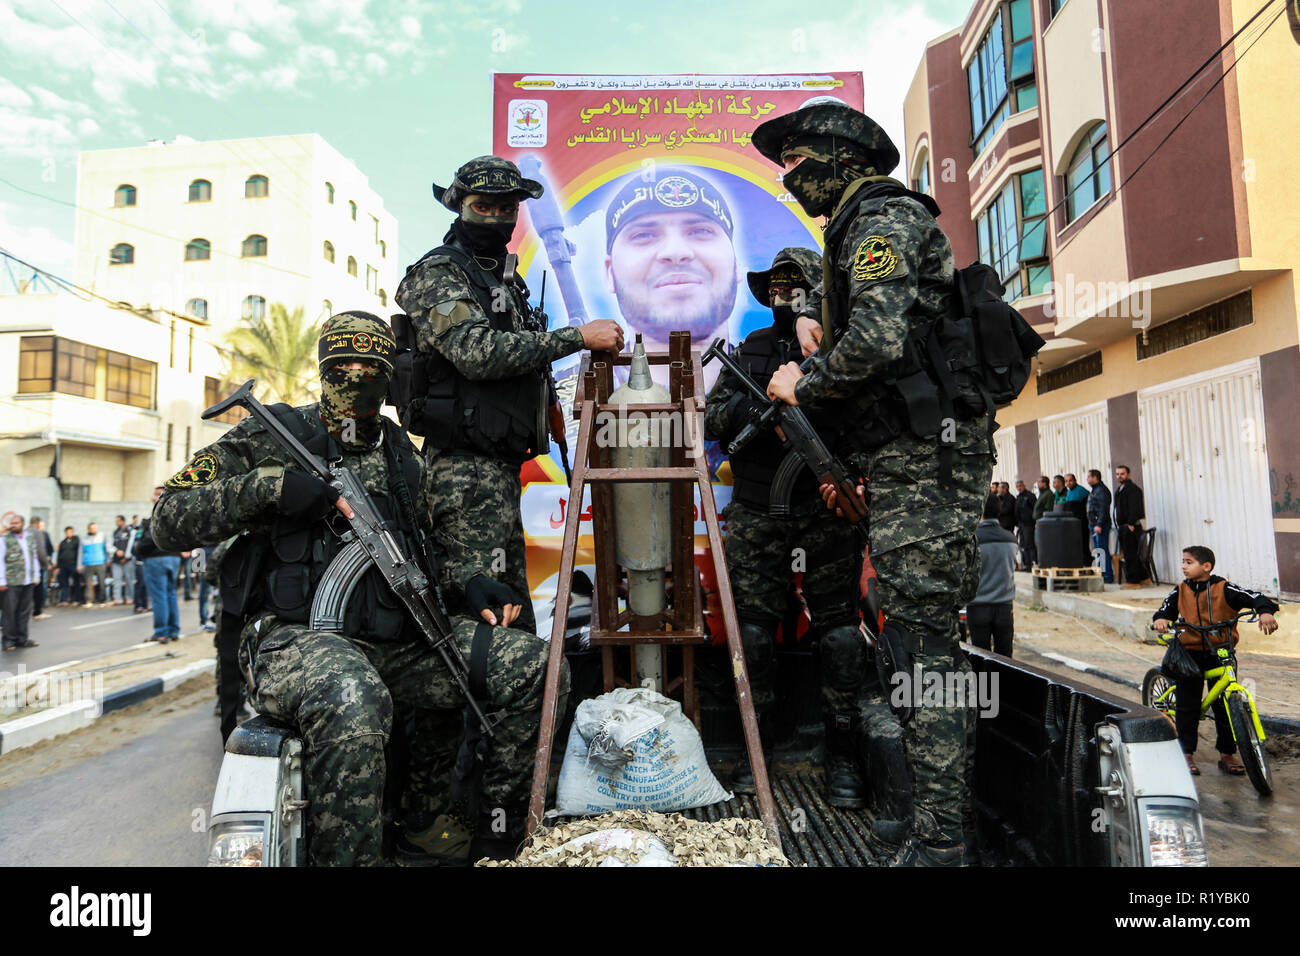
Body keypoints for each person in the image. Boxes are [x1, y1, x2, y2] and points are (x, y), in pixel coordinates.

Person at [151, 311, 566, 865]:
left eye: (371, 365)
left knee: (537, 667)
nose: (356, 375)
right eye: (342, 364)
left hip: (398, 642)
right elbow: (166, 515)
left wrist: (469, 582)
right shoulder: (274, 435)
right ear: (322, 368)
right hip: (292, 639)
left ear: (388, 372)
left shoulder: (404, 456)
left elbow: (425, 554)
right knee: (353, 695)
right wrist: (269, 490)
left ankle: (487, 833)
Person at [754, 101, 990, 866]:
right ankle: (930, 814)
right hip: (903, 459)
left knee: (925, 652)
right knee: (911, 644)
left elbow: (881, 342)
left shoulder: (878, 219)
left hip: (928, 463)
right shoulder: (853, 230)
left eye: (795, 161)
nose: (788, 178)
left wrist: (802, 383)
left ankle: (943, 841)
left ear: (838, 157)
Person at [394, 156, 623, 635]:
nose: (497, 217)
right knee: (481, 624)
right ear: (458, 206)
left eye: (507, 208)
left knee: (513, 619)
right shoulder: (438, 273)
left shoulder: (502, 278)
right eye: (483, 206)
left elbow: (519, 361)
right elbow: (475, 353)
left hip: (497, 469)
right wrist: (577, 337)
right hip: (462, 476)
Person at [704, 246, 872, 807]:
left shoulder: (840, 347)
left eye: (793, 284)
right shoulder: (747, 352)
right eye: (774, 286)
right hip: (759, 509)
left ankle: (843, 754)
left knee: (840, 632)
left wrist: (811, 405)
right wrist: (760, 415)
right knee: (751, 632)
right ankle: (757, 750)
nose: (782, 294)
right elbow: (714, 419)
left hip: (824, 509)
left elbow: (865, 416)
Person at [1152, 546, 1279, 776]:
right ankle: (1186, 752)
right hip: (1189, 653)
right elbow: (1165, 610)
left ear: (1206, 566)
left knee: (1225, 706)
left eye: (1188, 562)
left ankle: (1227, 754)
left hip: (1220, 651)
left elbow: (1256, 597)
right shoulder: (1179, 590)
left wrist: (1265, 612)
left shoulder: (1225, 588)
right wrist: (1161, 619)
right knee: (1187, 706)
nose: (1183, 566)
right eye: (1183, 562)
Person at [603, 165, 741, 372]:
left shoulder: (789, 382)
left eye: (700, 230)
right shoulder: (561, 399)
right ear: (610, 273)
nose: (675, 251)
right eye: (643, 235)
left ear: (736, 265)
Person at [967, 496, 1017, 657]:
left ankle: (987, 684)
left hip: (978, 606)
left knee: (980, 656)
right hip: (1004, 606)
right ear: (999, 511)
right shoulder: (1011, 538)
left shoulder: (972, 539)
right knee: (1005, 659)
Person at [135, 489, 184, 643]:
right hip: (174, 558)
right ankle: (173, 630)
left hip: (156, 559)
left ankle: (161, 632)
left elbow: (149, 541)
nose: (154, 497)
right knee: (171, 594)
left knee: (159, 596)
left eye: (158, 494)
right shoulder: (175, 518)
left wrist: (139, 548)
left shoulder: (155, 518)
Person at [1, 514, 40, 650]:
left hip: (27, 581)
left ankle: (22, 639)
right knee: (9, 612)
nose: (13, 525)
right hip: (11, 581)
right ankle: (8, 641)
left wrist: (36, 575)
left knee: (24, 611)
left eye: (16, 523)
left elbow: (34, 557)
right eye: (12, 523)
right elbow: (0, 560)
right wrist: (1, 580)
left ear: (22, 524)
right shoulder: (4, 539)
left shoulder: (29, 538)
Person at [1114, 465, 1150, 587]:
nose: (1120, 476)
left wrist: (1130, 523)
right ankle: (1144, 578)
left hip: (1130, 526)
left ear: (1128, 474)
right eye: (1118, 474)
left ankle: (1133, 581)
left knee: (1130, 554)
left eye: (1122, 474)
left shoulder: (1133, 489)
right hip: (1123, 526)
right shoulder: (1120, 489)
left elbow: (1135, 508)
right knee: (1131, 553)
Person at [1086, 469, 1113, 584]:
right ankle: (1101, 572)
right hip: (1094, 524)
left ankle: (1106, 575)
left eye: (1089, 477)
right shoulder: (1095, 490)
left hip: (1099, 525)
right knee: (1098, 550)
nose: (1087, 480)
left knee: (1101, 550)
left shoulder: (1101, 491)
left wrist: (1099, 524)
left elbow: (1103, 509)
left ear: (1095, 477)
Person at [28, 516, 53, 620]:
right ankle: (37, 612)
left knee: (26, 590)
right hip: (37, 566)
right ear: (38, 523)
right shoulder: (37, 533)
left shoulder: (24, 531)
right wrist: (46, 564)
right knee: (38, 589)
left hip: (24, 567)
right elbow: (41, 551)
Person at [79, 522, 109, 606]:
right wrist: (80, 565)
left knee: (101, 582)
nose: (93, 530)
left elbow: (106, 549)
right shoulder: (84, 539)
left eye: (95, 528)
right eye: (92, 528)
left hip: (100, 562)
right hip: (88, 563)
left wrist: (107, 560)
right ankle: (88, 601)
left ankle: (102, 600)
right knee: (88, 583)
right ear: (88, 529)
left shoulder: (101, 536)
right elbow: (80, 552)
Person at [109, 515, 135, 605]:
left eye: (118, 521)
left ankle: (129, 597)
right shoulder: (115, 532)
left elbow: (131, 544)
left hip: (128, 560)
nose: (116, 523)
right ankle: (117, 598)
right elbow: (109, 545)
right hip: (116, 560)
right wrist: (116, 551)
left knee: (129, 579)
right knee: (117, 579)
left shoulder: (130, 531)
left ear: (123, 521)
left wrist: (126, 556)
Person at [1013, 480, 1036, 569]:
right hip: (1021, 524)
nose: (1019, 488)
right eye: (1017, 486)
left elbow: (1034, 508)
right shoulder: (1019, 497)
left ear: (1024, 485)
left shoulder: (1030, 496)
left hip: (1028, 524)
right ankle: (1026, 564)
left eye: (1020, 486)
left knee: (1029, 544)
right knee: (1022, 544)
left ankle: (1032, 563)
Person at [56, 526, 81, 605]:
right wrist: (58, 567)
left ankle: (76, 600)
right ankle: (65, 600)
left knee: (76, 582)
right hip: (63, 565)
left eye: (71, 532)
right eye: (67, 532)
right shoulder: (62, 543)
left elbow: (79, 553)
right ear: (65, 533)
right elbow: (59, 555)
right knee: (64, 583)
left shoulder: (76, 541)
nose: (69, 533)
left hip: (73, 565)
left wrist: (79, 565)